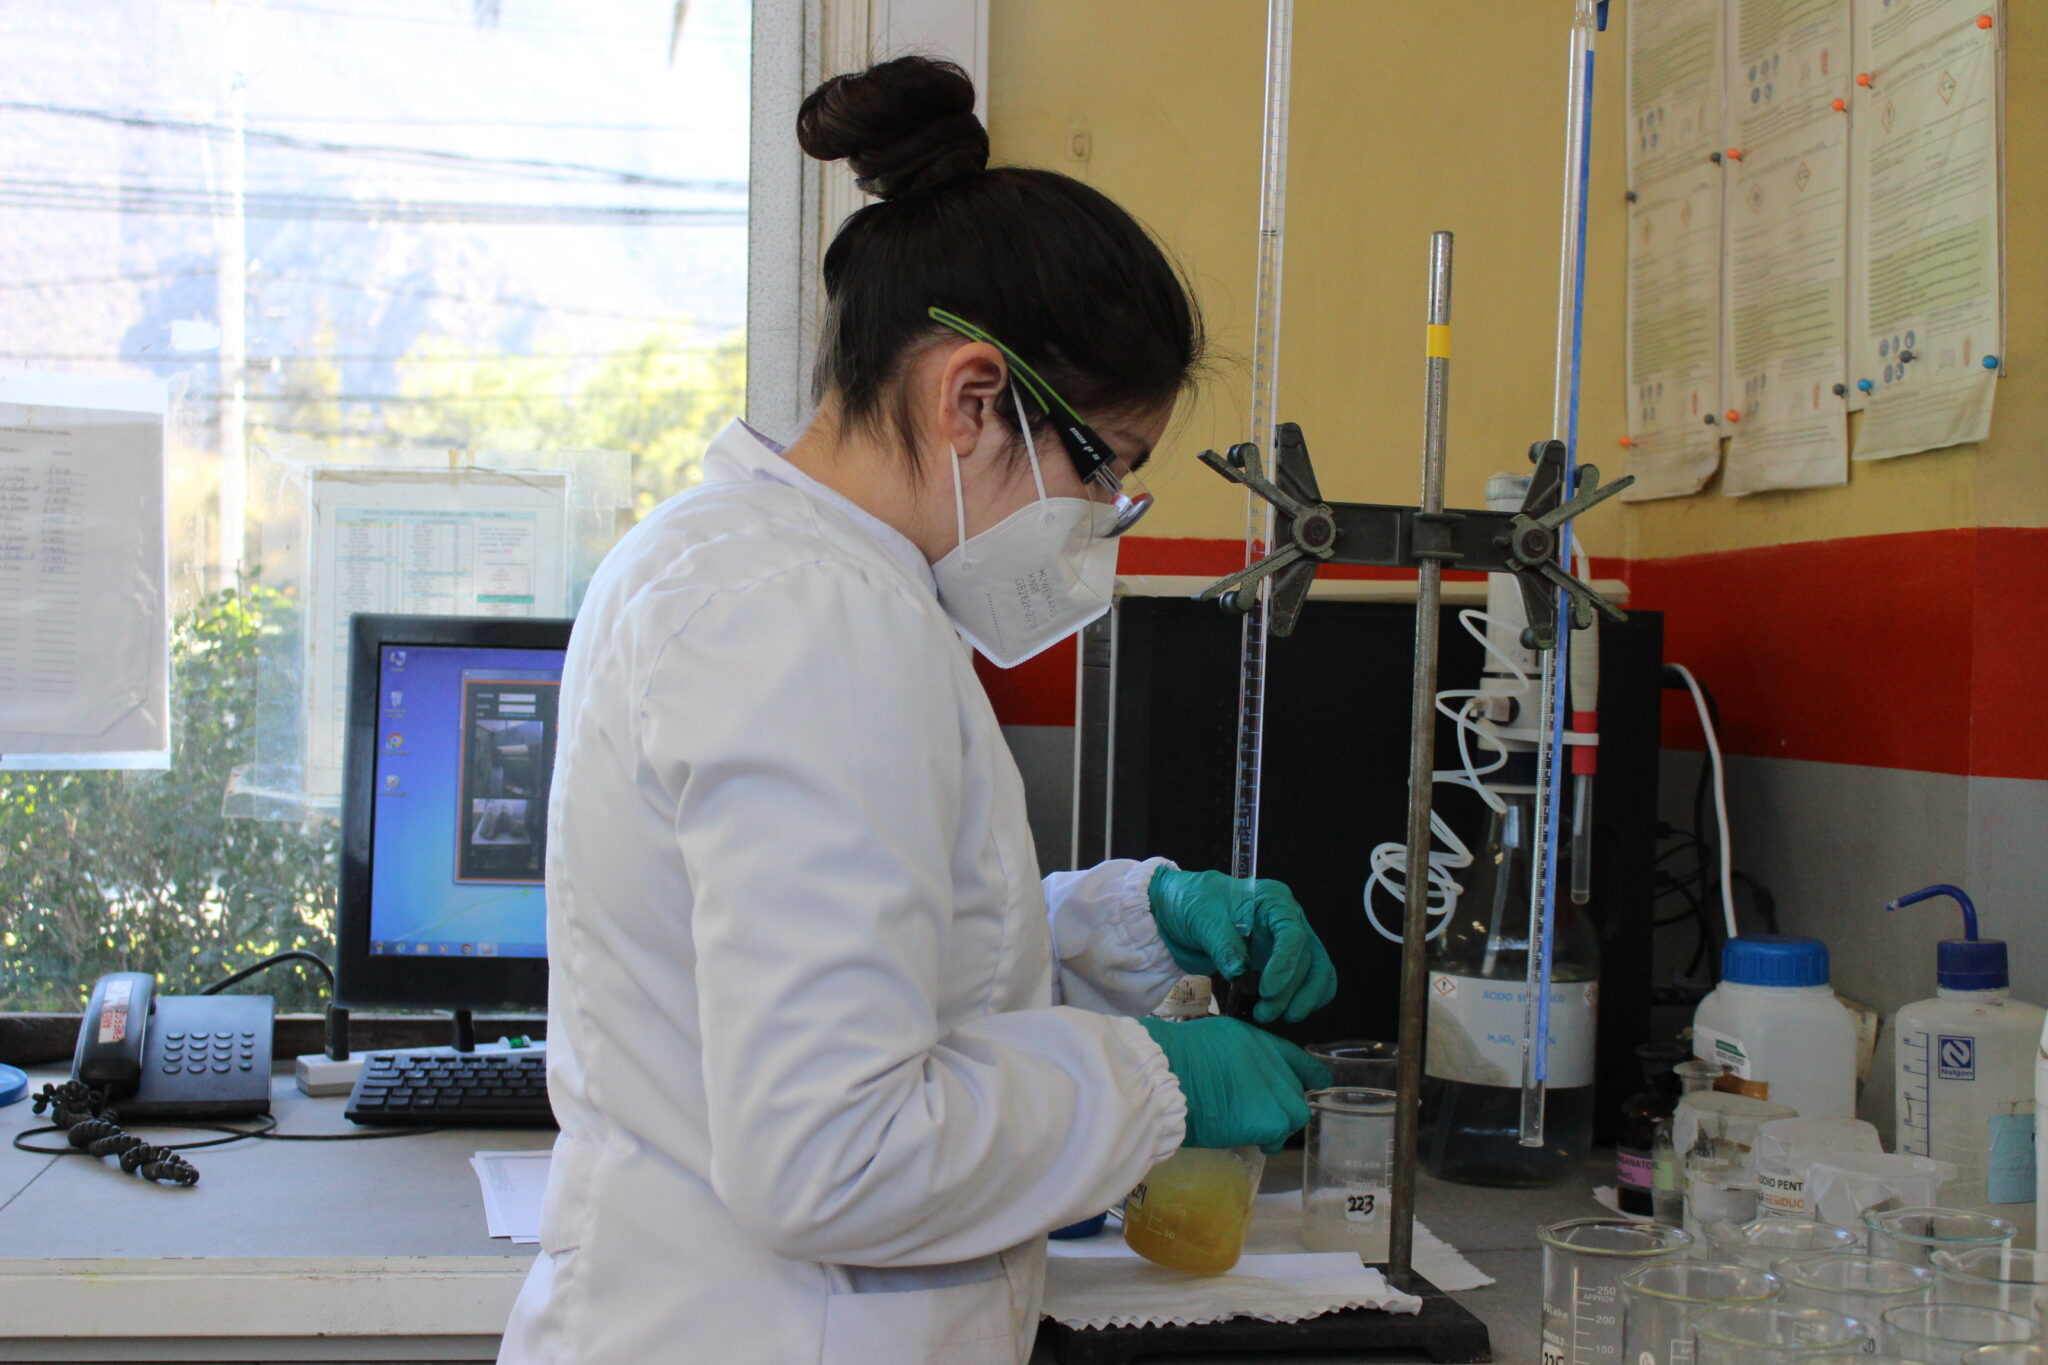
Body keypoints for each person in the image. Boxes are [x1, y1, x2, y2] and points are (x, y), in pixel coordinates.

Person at [498, 56, 1339, 1365]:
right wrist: (1157, 1084)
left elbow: (864, 949)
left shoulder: (751, 565)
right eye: (1104, 468)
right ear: (970, 396)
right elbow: (835, 1150)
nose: (1108, 522)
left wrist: (1127, 916)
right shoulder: (811, 619)